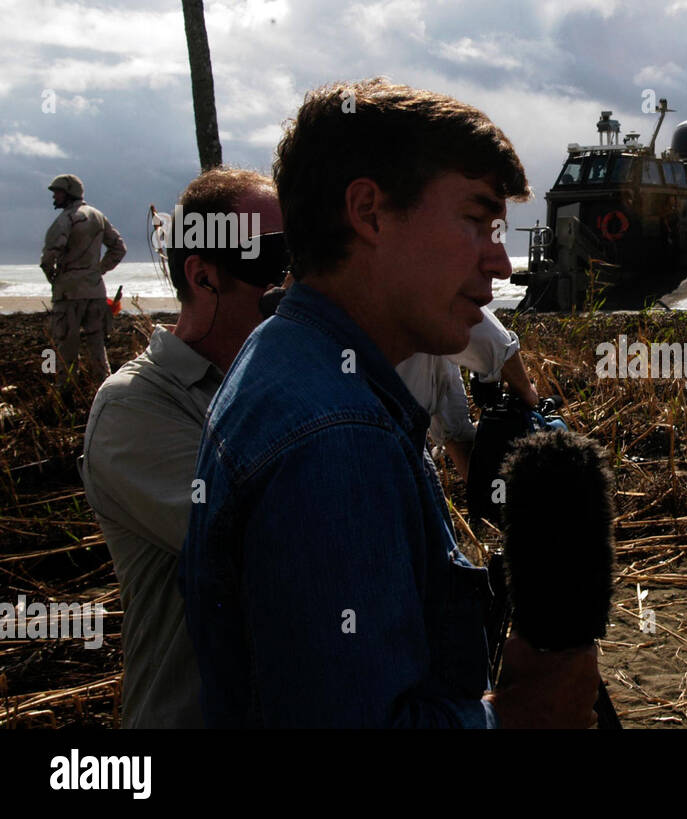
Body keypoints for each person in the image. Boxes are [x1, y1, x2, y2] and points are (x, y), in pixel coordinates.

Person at [179, 79, 599, 728]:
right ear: (369, 211)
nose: (502, 263)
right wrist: (525, 715)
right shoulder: (335, 437)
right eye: (476, 219)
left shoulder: (284, 357)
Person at [79, 168, 286, 728]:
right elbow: (272, 549)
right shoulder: (133, 408)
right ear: (203, 275)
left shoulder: (282, 384)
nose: (290, 282)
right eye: (272, 259)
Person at [396, 306, 538, 479]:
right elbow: (492, 340)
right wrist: (527, 392)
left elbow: (453, 429)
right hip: (390, 445)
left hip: (385, 438)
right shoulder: (428, 287)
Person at [40, 174, 127, 390]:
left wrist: (54, 279)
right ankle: (105, 392)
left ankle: (66, 394)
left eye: (57, 192)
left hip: (68, 294)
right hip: (96, 292)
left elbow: (48, 257)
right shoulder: (98, 216)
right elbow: (118, 248)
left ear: (69, 192)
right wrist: (98, 270)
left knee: (66, 349)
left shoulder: (65, 220)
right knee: (98, 349)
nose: (54, 197)